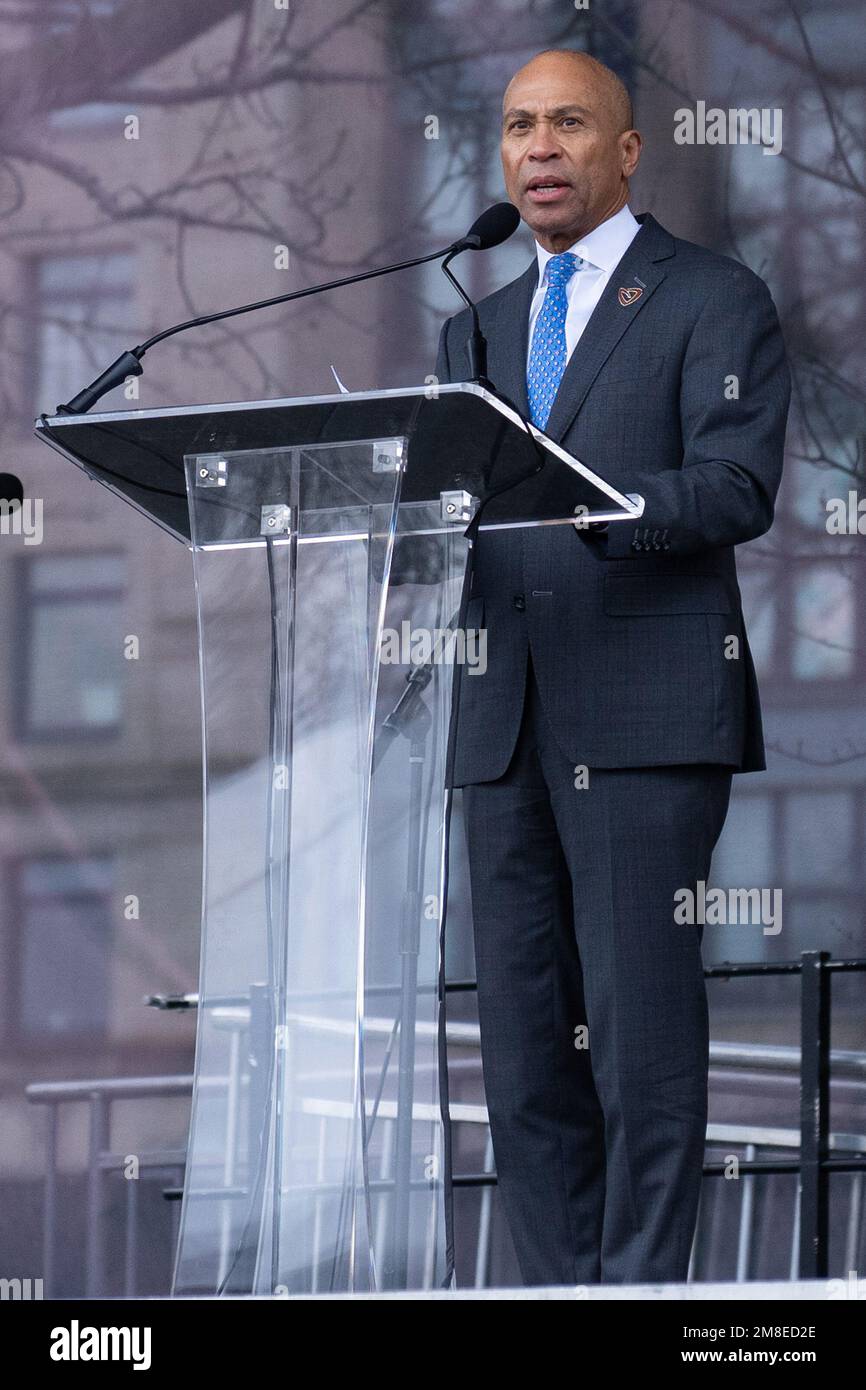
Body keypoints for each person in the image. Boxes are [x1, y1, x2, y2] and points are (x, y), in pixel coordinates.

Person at [435, 48, 791, 1286]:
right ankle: (554, 1298)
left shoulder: (709, 297)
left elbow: (737, 485)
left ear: (624, 152)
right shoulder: (468, 328)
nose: (537, 147)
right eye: (518, 126)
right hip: (499, 726)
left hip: (642, 716)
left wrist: (599, 503)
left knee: (637, 1046)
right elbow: (444, 520)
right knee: (524, 1054)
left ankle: (638, 1298)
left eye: (568, 124)